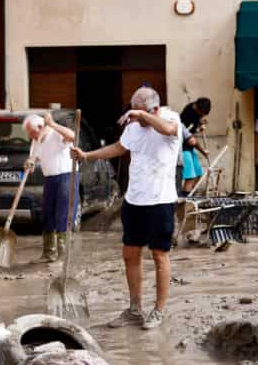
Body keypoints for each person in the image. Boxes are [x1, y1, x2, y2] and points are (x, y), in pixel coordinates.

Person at [70, 87, 182, 330]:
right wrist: (86, 155)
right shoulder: (133, 127)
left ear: (152, 110)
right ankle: (134, 309)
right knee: (130, 254)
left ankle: (158, 311)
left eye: (137, 114)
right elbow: (118, 148)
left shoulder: (171, 118)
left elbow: (169, 130)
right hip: (134, 200)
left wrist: (142, 116)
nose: (132, 119)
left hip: (160, 201)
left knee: (159, 255)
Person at [22, 112, 79, 263]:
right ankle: (48, 253)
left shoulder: (56, 134)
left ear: (41, 127)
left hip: (67, 177)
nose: (31, 137)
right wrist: (29, 164)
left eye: (32, 133)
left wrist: (52, 124)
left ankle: (63, 255)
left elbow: (73, 136)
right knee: (47, 214)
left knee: (62, 215)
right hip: (50, 179)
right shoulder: (36, 142)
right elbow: (33, 161)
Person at [179, 97, 211, 195]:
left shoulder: (195, 107)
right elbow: (191, 140)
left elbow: (193, 127)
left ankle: (190, 196)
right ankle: (185, 202)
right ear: (198, 109)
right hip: (183, 148)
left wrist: (199, 126)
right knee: (191, 178)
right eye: (202, 114)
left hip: (189, 147)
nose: (202, 116)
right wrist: (203, 151)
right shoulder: (188, 115)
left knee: (198, 174)